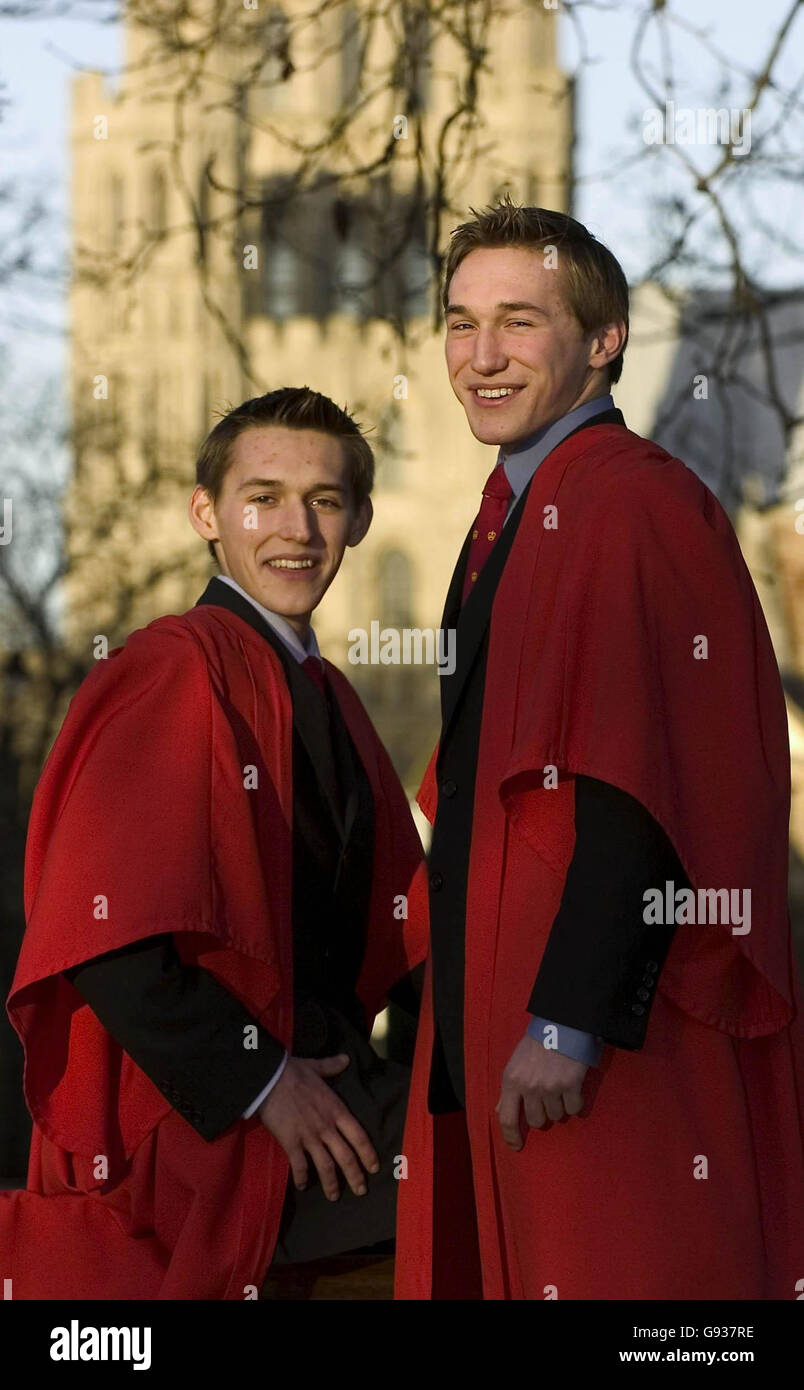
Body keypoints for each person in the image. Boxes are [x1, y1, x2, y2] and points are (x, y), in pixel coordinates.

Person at [394, 198, 804, 1300]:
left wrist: (566, 1021)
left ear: (604, 339)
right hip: (498, 1028)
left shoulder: (631, 505)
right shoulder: (513, 515)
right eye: (461, 322)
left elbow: (648, 776)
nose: (481, 356)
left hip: (602, 1043)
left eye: (520, 322)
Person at [1, 386, 427, 1300]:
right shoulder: (171, 670)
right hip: (207, 1112)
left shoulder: (334, 697)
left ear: (359, 519)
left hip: (325, 1084)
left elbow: (412, 938)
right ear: (208, 513)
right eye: (263, 497)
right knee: (496, 1176)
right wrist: (266, 1082)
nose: (297, 529)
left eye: (323, 501)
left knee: (539, 1146)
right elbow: (107, 943)